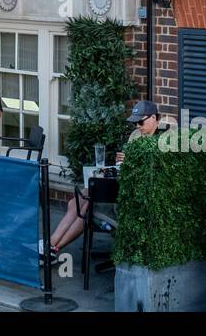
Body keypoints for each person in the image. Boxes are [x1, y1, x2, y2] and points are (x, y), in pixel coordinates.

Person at [46, 100, 160, 259]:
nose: (137, 126)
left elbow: (150, 175)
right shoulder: (136, 135)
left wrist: (130, 162)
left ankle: (54, 248)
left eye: (140, 122)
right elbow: (125, 165)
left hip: (130, 202)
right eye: (135, 123)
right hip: (121, 185)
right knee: (76, 201)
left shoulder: (161, 142)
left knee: (87, 207)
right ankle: (50, 244)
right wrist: (121, 163)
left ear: (154, 118)